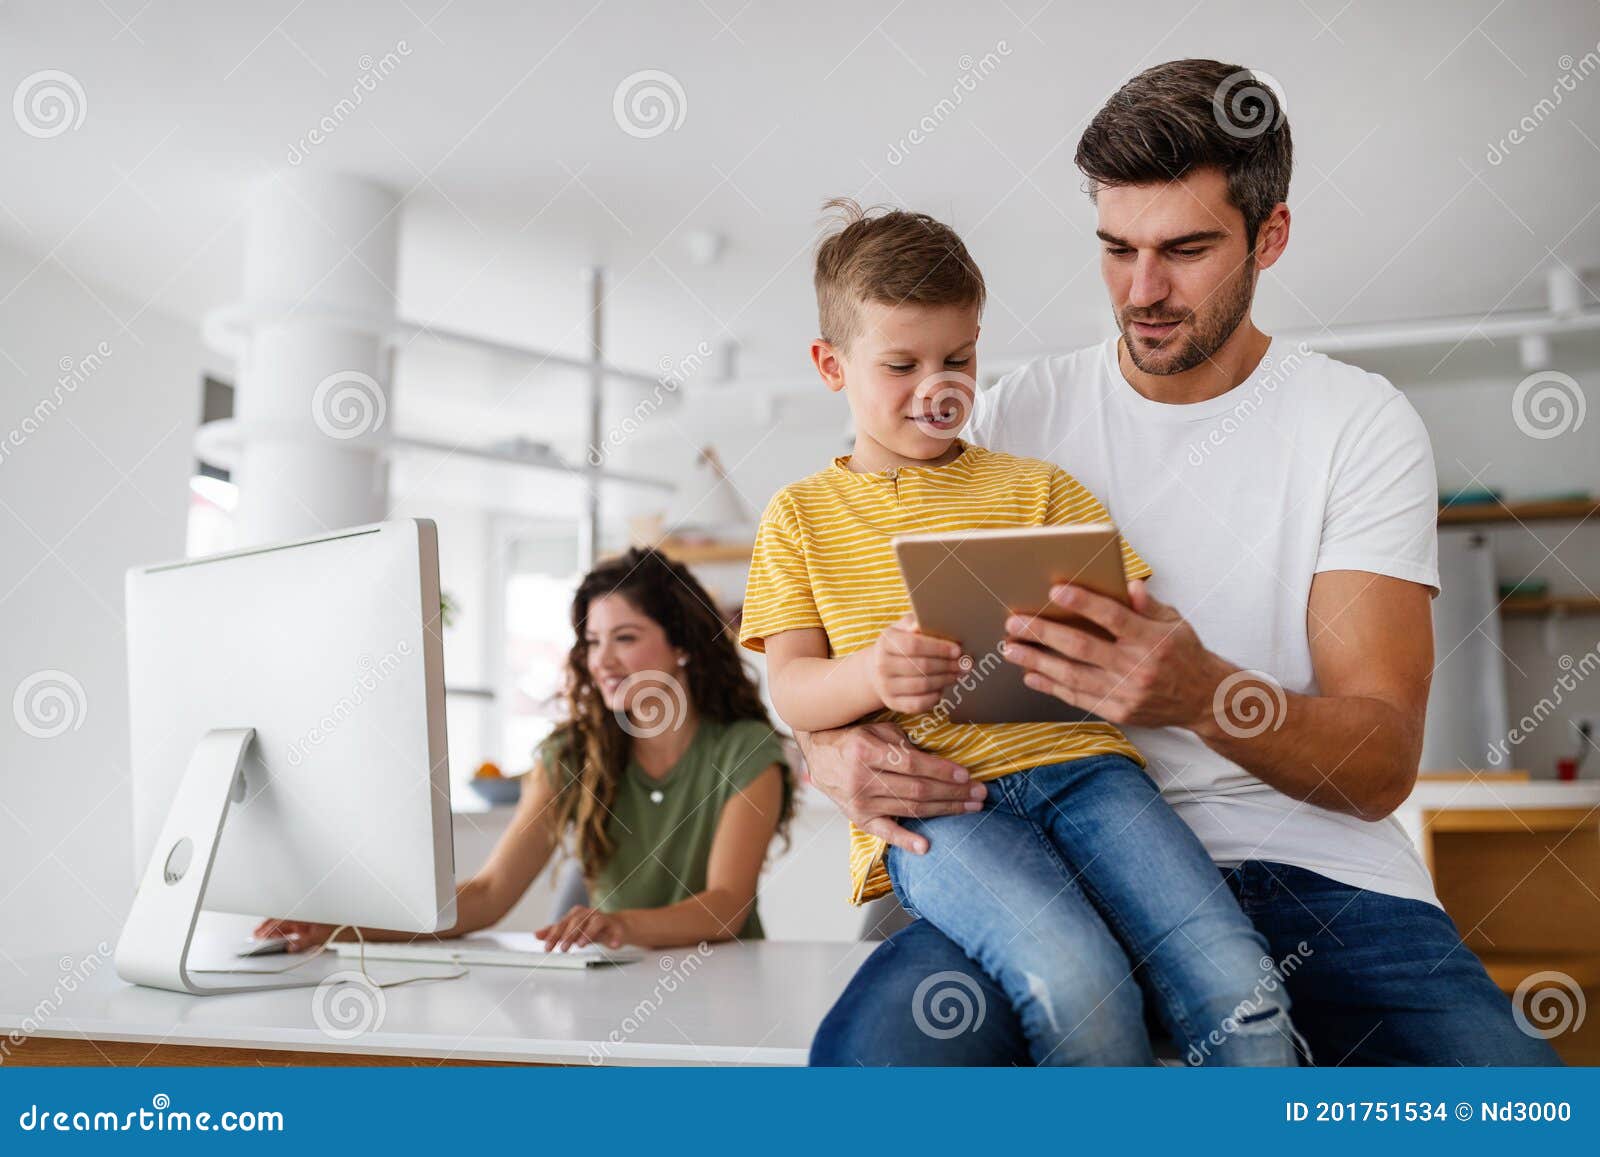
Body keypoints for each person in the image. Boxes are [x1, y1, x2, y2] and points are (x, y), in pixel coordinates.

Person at [804, 58, 1561, 1066]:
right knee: (871, 1069)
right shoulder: (1011, 415)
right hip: (1043, 856)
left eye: (1185, 249)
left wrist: (1203, 694)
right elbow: (848, 635)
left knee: (1518, 1111)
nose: (1143, 290)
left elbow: (1379, 760)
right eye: (1116, 249)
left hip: (1317, 880)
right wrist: (831, 755)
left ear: (1270, 235)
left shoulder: (1355, 423)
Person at [739, 198, 1298, 1066]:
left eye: (958, 357)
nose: (939, 385)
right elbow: (793, 688)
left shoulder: (1039, 487)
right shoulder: (798, 518)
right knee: (1076, 979)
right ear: (830, 365)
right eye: (902, 364)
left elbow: (1143, 621)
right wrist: (874, 677)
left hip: (1087, 774)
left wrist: (1138, 631)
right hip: (939, 804)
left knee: (1239, 986)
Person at [256, 547, 794, 954]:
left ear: (682, 647)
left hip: (726, 978)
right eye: (591, 641)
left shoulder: (745, 751)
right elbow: (489, 894)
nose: (601, 660)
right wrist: (342, 924)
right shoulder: (569, 755)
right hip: (612, 981)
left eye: (625, 638)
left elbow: (725, 907)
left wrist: (622, 923)